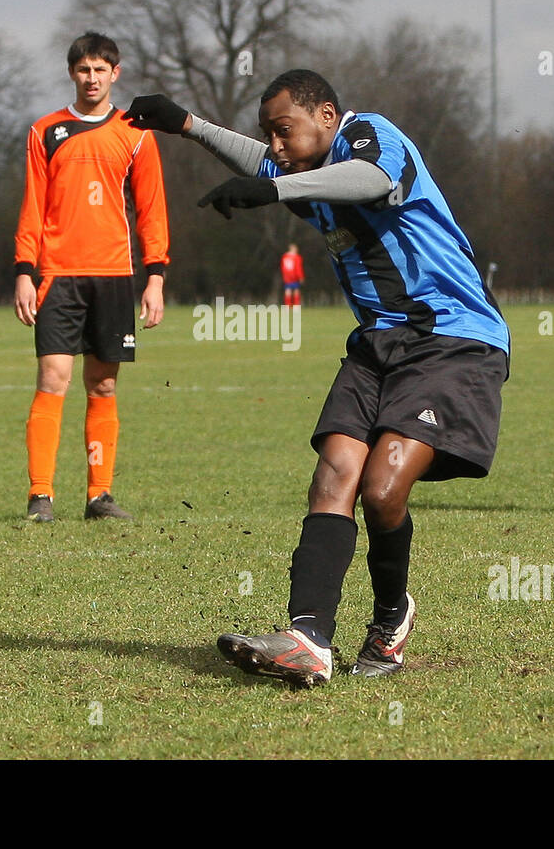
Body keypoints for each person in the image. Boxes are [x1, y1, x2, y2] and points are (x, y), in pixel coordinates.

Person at [125, 70, 509, 686]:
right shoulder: (305, 171)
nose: (275, 146)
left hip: (452, 338)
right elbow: (267, 163)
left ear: (327, 116)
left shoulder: (370, 137)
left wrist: (273, 191)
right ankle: (308, 638)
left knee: (383, 491)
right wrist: (189, 127)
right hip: (375, 345)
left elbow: (372, 181)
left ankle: (390, 618)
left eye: (285, 130)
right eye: (269, 135)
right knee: (334, 474)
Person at [13, 32, 170, 522]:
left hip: (115, 274)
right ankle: (41, 495)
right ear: (72, 73)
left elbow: (151, 209)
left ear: (115, 74)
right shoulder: (45, 131)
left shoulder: (136, 133)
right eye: (84, 69)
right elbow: (33, 206)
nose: (92, 77)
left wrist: (156, 276)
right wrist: (24, 270)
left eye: (101, 69)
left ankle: (99, 496)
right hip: (57, 275)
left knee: (102, 386)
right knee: (53, 377)